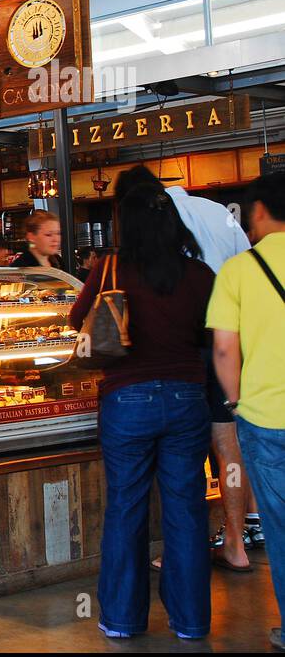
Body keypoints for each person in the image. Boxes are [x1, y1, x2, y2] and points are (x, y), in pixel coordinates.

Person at [70, 184, 214, 640]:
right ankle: (191, 622)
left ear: (124, 226)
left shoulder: (110, 268)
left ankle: (122, 620)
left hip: (127, 398)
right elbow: (210, 335)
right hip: (189, 398)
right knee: (186, 511)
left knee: (126, 508)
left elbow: (77, 321)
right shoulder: (199, 273)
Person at [117, 164, 259, 568]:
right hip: (227, 342)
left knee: (181, 453)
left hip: (181, 350)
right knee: (228, 449)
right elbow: (245, 268)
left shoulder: (153, 224)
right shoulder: (215, 211)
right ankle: (235, 543)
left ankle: (185, 547)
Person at [207, 171, 285, 651]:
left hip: (265, 417)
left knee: (278, 524)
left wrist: (235, 401)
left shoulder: (239, 270)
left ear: (257, 212)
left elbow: (222, 351)